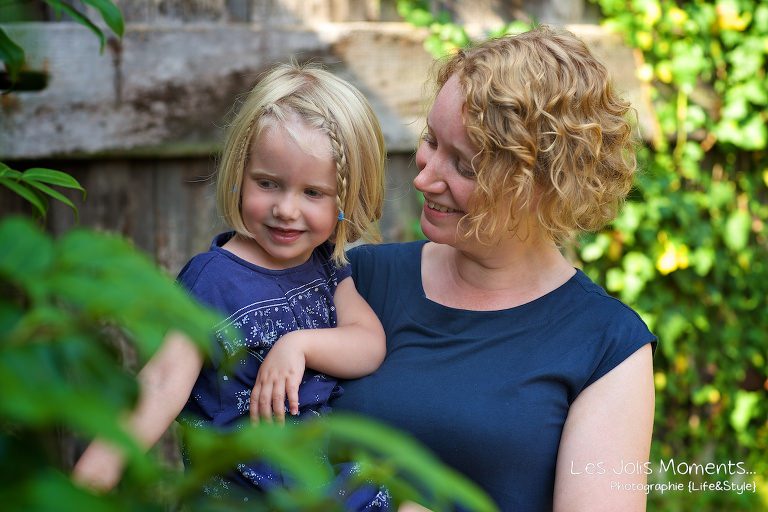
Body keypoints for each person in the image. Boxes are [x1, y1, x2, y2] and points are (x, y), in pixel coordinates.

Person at [334, 26, 656, 512]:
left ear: (544, 186)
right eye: (430, 140)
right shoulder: (358, 280)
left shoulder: (606, 348)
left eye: (464, 166)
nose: (423, 176)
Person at [73, 62, 390, 509]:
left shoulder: (326, 265)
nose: (285, 209)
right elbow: (162, 383)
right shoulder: (213, 280)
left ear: (347, 198)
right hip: (247, 494)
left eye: (312, 193)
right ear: (240, 175)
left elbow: (368, 343)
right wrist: (91, 477)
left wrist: (298, 345)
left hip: (327, 483)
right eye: (268, 183)